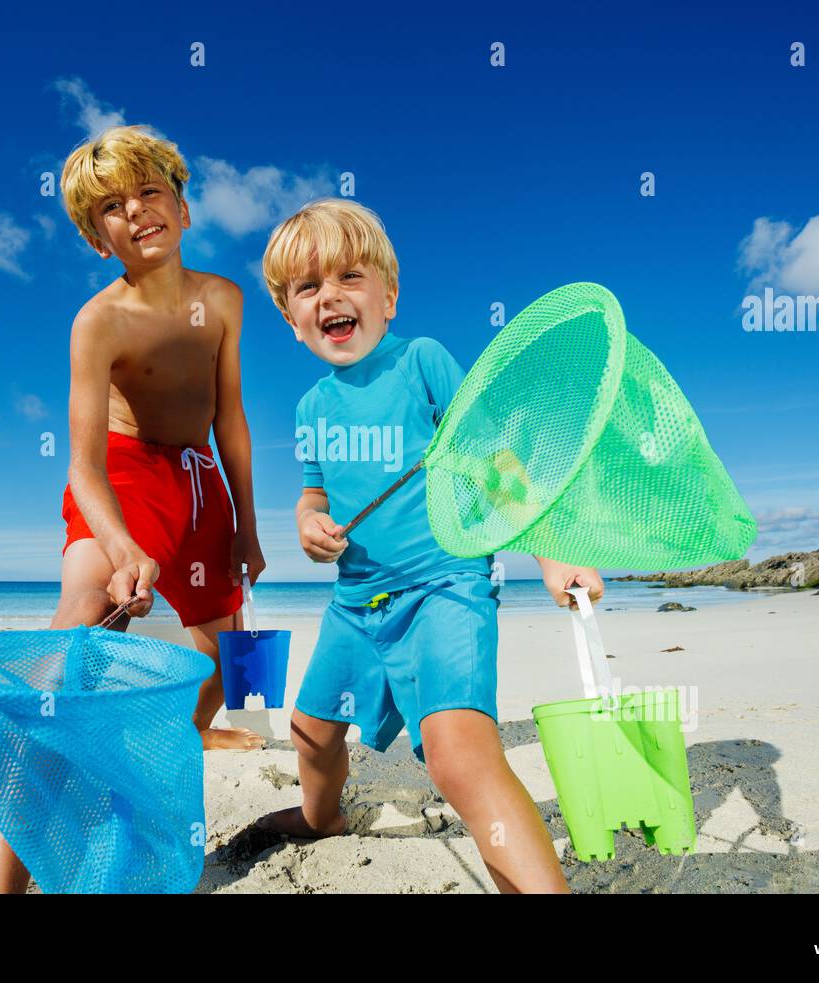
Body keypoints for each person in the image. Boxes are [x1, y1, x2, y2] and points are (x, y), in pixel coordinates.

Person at [255, 198, 604, 893]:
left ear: (388, 296)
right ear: (292, 322)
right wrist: (306, 521)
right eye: (307, 288)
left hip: (445, 584)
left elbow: (499, 463)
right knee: (312, 732)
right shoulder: (311, 408)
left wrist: (551, 550)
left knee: (457, 757)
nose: (330, 296)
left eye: (350, 276)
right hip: (357, 598)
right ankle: (322, 819)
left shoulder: (422, 362)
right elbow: (315, 490)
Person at [0, 125, 266, 893]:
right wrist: (120, 542)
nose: (135, 211)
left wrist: (246, 523)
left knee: (219, 660)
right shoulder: (98, 321)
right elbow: (84, 463)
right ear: (97, 239)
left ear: (183, 206)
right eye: (110, 206)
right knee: (80, 624)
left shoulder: (225, 301)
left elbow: (229, 420)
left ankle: (181, 746)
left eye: (149, 190)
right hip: (124, 478)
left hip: (201, 480)